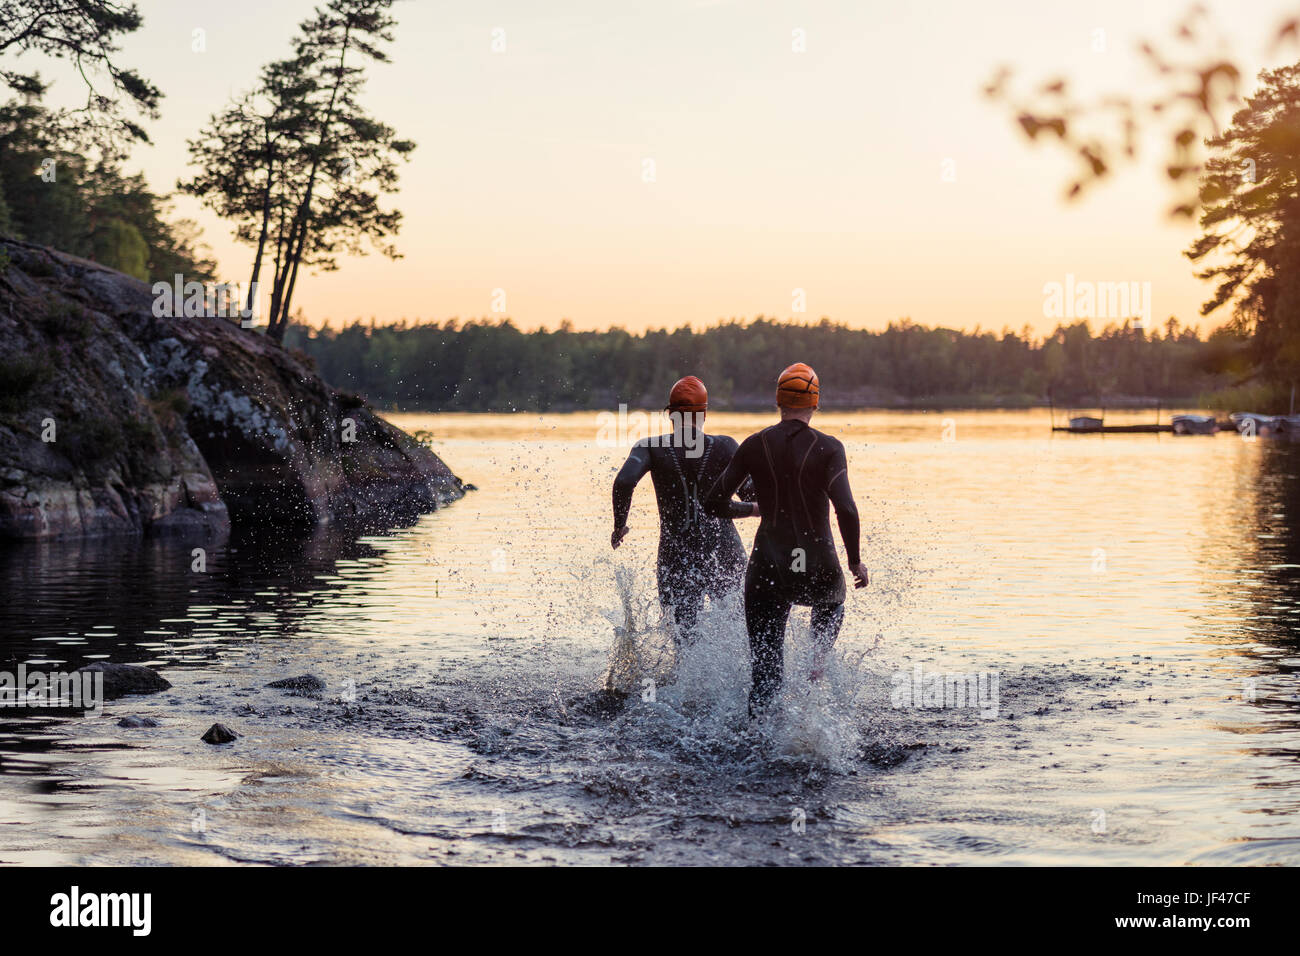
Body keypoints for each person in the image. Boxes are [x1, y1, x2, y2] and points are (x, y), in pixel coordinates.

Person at [703, 363, 868, 714]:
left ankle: (759, 747)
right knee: (832, 604)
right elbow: (847, 510)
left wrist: (752, 509)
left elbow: (713, 502)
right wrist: (855, 561)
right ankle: (816, 670)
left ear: (778, 401)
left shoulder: (753, 445)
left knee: (765, 675)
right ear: (815, 403)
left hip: (768, 569)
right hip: (819, 568)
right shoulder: (829, 448)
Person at [611, 376, 759, 642]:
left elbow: (624, 481)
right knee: (739, 633)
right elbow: (753, 496)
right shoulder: (725, 446)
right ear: (704, 414)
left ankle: (685, 683)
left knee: (684, 640)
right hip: (723, 552)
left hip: (677, 554)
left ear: (669, 414)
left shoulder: (650, 447)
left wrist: (619, 524)